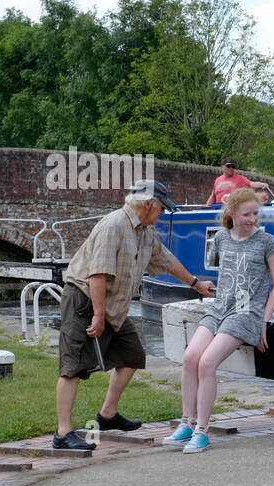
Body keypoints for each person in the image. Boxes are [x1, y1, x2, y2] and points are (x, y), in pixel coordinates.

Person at [55, 180, 216, 450]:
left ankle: (107, 415)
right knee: (73, 367)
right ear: (150, 203)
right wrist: (97, 315)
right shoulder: (114, 226)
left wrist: (196, 283)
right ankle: (63, 434)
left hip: (112, 307)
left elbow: (167, 261)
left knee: (132, 355)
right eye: (163, 208)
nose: (163, 214)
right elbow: (97, 275)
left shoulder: (144, 232)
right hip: (86, 301)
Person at [165, 187, 274, 453]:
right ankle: (186, 422)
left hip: (245, 312)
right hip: (220, 306)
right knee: (190, 358)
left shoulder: (267, 241)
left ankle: (202, 431)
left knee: (207, 363)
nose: (253, 218)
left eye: (256, 213)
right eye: (247, 214)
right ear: (231, 213)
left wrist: (264, 320)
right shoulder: (221, 238)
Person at [207, 157, 272, 205]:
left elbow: (251, 184)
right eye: (228, 166)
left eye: (233, 166)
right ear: (222, 167)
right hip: (219, 210)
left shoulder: (240, 178)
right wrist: (206, 208)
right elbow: (213, 196)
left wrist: (262, 184)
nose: (231, 168)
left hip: (233, 210)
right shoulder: (217, 180)